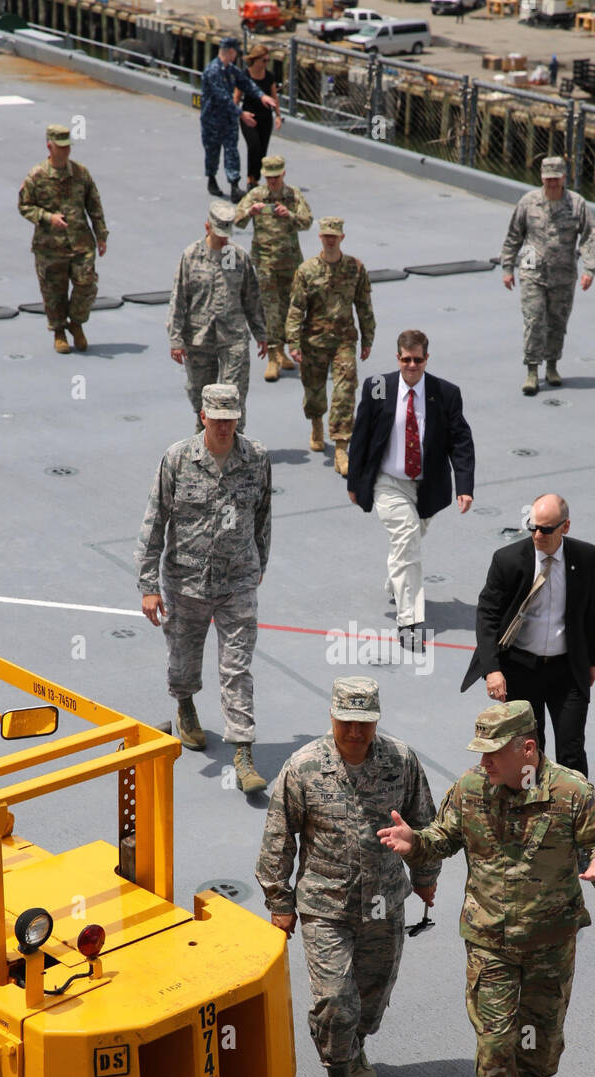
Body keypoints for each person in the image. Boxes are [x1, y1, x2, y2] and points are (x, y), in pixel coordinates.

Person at [378, 701, 595, 1077]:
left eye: (494, 753)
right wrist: (415, 842)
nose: (484, 762)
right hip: (490, 941)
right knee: (495, 1042)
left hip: (551, 942)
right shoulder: (471, 789)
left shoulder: (571, 793)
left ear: (527, 749)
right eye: (481, 752)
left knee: (541, 1036)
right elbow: (442, 837)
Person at [255, 677, 440, 1077]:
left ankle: (356, 1048)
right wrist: (279, 902)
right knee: (335, 999)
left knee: (372, 994)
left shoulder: (401, 761)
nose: (355, 732)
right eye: (347, 722)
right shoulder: (303, 767)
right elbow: (279, 837)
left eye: (364, 723)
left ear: (376, 719)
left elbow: (424, 822)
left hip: (383, 901)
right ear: (332, 716)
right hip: (325, 906)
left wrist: (426, 874)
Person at [135, 383, 270, 794]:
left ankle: (243, 751)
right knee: (182, 660)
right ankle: (185, 705)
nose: (225, 426)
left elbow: (263, 514)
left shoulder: (256, 457)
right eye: (218, 419)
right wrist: (148, 585)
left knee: (237, 669)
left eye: (231, 419)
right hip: (186, 582)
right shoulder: (178, 458)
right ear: (203, 416)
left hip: (237, 582)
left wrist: (259, 563)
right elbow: (155, 520)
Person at [347, 329, 476, 651]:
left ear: (427, 358)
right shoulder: (378, 387)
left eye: (418, 359)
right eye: (406, 359)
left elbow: (460, 440)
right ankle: (410, 621)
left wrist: (464, 486)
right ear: (398, 358)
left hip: (428, 486)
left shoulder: (445, 393)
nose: (412, 365)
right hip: (388, 482)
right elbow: (361, 435)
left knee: (407, 546)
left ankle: (398, 577)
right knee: (407, 538)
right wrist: (355, 482)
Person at [461, 493, 595, 779]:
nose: (538, 535)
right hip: (521, 668)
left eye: (546, 530)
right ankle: (532, 800)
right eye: (533, 527)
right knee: (529, 748)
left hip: (567, 670)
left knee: (572, 748)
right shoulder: (508, 560)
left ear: (565, 527)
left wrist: (592, 662)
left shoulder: (585, 557)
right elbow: (487, 614)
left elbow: (594, 612)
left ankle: (575, 804)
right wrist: (492, 670)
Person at [500, 155, 595, 396]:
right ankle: (532, 370)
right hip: (532, 271)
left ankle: (552, 365)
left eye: (556, 179)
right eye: (548, 179)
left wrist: (590, 269)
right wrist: (507, 267)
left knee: (557, 322)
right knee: (534, 320)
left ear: (564, 178)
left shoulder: (576, 204)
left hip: (563, 274)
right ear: (542, 178)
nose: (552, 183)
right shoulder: (528, 202)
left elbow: (589, 236)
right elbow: (514, 235)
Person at [166, 200, 267, 434]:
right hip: (198, 337)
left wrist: (261, 332)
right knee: (200, 395)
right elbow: (178, 299)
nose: (223, 239)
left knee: (233, 395)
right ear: (207, 227)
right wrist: (176, 339)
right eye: (219, 233)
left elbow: (251, 297)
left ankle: (235, 442)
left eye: (226, 234)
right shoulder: (191, 256)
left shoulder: (238, 256)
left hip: (233, 336)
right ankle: (203, 437)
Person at [285, 217, 375, 474]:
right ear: (320, 237)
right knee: (314, 392)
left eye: (334, 236)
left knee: (345, 392)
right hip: (313, 342)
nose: (330, 240)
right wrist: (293, 342)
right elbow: (296, 309)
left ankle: (341, 448)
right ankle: (316, 422)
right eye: (326, 235)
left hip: (343, 342)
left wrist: (367, 338)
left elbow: (364, 305)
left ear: (341, 238)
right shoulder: (306, 270)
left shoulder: (355, 268)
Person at [18, 123, 108, 355]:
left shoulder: (80, 173)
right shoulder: (37, 175)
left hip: (80, 242)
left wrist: (101, 235)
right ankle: (59, 332)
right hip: (50, 246)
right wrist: (48, 218)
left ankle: (76, 323)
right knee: (53, 291)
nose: (66, 151)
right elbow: (24, 206)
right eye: (61, 147)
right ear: (50, 146)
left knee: (86, 285)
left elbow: (94, 205)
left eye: (68, 146)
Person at [234, 154, 313, 383]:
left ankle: (284, 351)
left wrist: (290, 215)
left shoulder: (293, 195)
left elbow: (308, 221)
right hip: (266, 263)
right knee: (269, 309)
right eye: (269, 177)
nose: (272, 181)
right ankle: (272, 357)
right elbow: (236, 219)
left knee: (291, 308)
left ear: (283, 174)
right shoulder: (256, 195)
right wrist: (250, 212)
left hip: (290, 262)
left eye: (276, 177)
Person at [200, 37, 277, 202]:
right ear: (230, 51)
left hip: (228, 118)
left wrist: (262, 96)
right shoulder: (213, 71)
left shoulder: (231, 70)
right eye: (235, 52)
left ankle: (234, 186)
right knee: (213, 151)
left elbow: (246, 83)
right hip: (212, 120)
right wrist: (241, 114)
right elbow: (223, 97)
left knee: (232, 151)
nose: (236, 55)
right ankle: (211, 178)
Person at [240, 45, 282, 191]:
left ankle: (255, 180)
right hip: (248, 117)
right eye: (264, 60)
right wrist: (236, 114)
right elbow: (236, 97)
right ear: (255, 60)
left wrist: (278, 116)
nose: (266, 63)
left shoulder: (269, 76)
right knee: (254, 146)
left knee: (262, 151)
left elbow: (274, 97)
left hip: (265, 118)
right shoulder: (244, 76)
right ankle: (250, 178)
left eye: (268, 60)